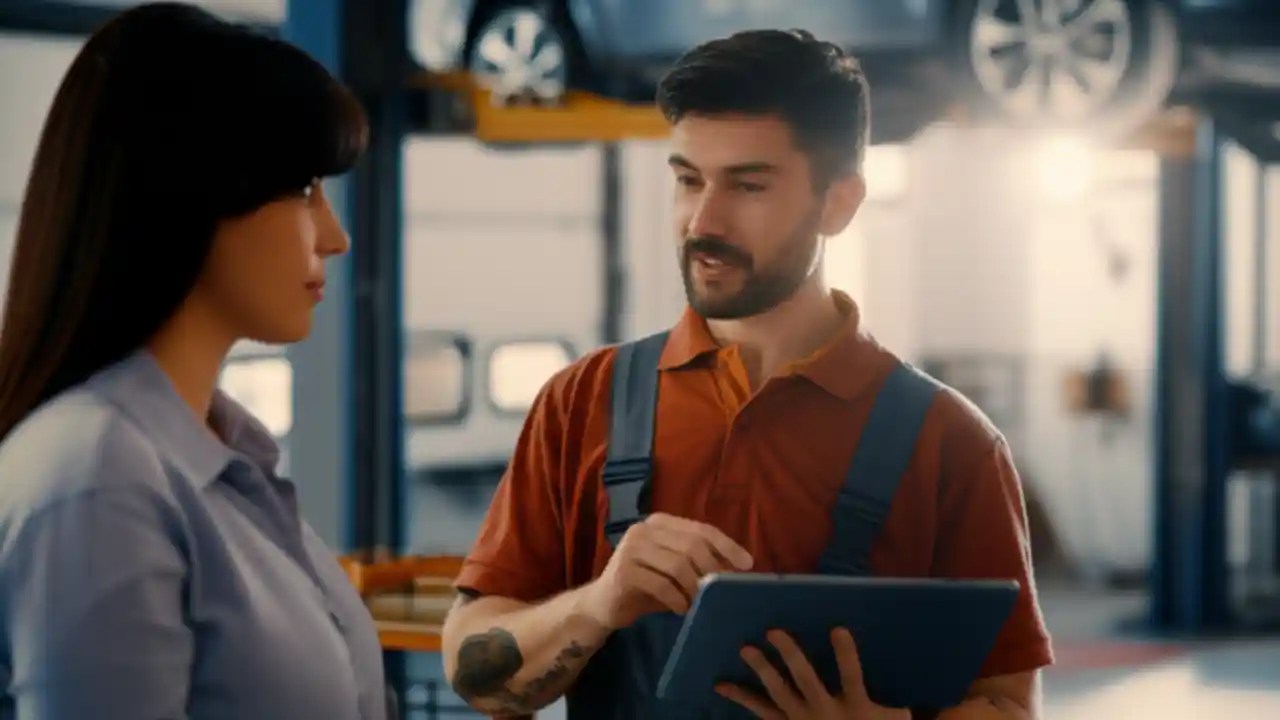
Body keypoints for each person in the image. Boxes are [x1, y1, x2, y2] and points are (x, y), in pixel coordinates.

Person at [441, 28, 1054, 720]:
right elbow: (474, 673)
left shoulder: (951, 443)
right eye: (687, 180)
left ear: (839, 204)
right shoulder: (582, 402)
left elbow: (1008, 704)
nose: (704, 220)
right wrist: (597, 602)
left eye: (748, 185)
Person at [0, 4, 387, 719]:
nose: (336, 237)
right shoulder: (100, 477)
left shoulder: (222, 458)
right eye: (303, 190)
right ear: (194, 190)